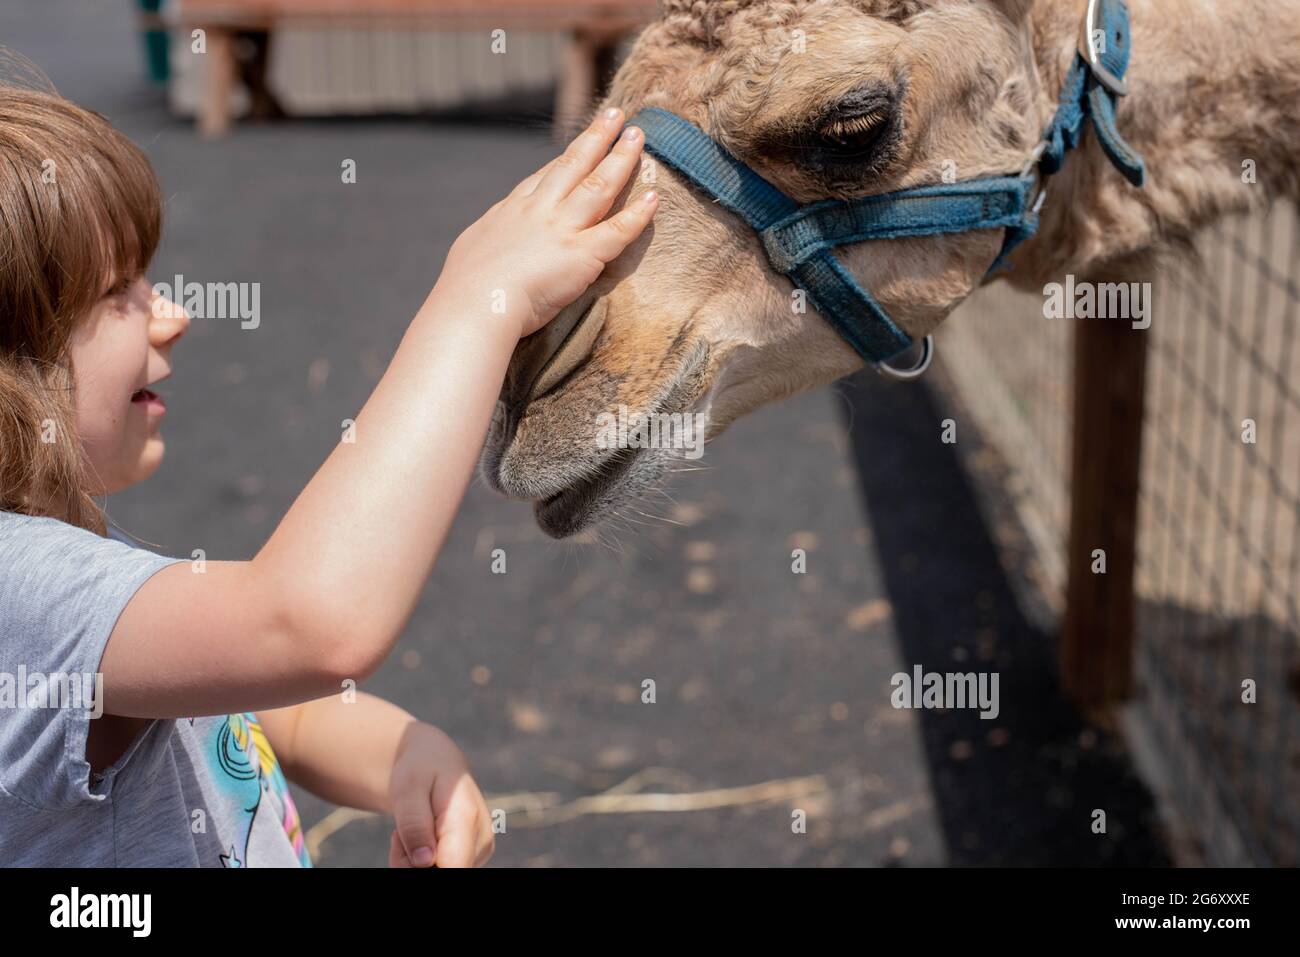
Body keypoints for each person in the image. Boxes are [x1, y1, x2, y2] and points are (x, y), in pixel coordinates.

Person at [0, 84, 656, 867]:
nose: (170, 314)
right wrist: (478, 302)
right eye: (118, 294)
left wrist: (407, 755)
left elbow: (275, 710)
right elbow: (308, 623)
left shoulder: (73, 559)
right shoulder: (24, 590)